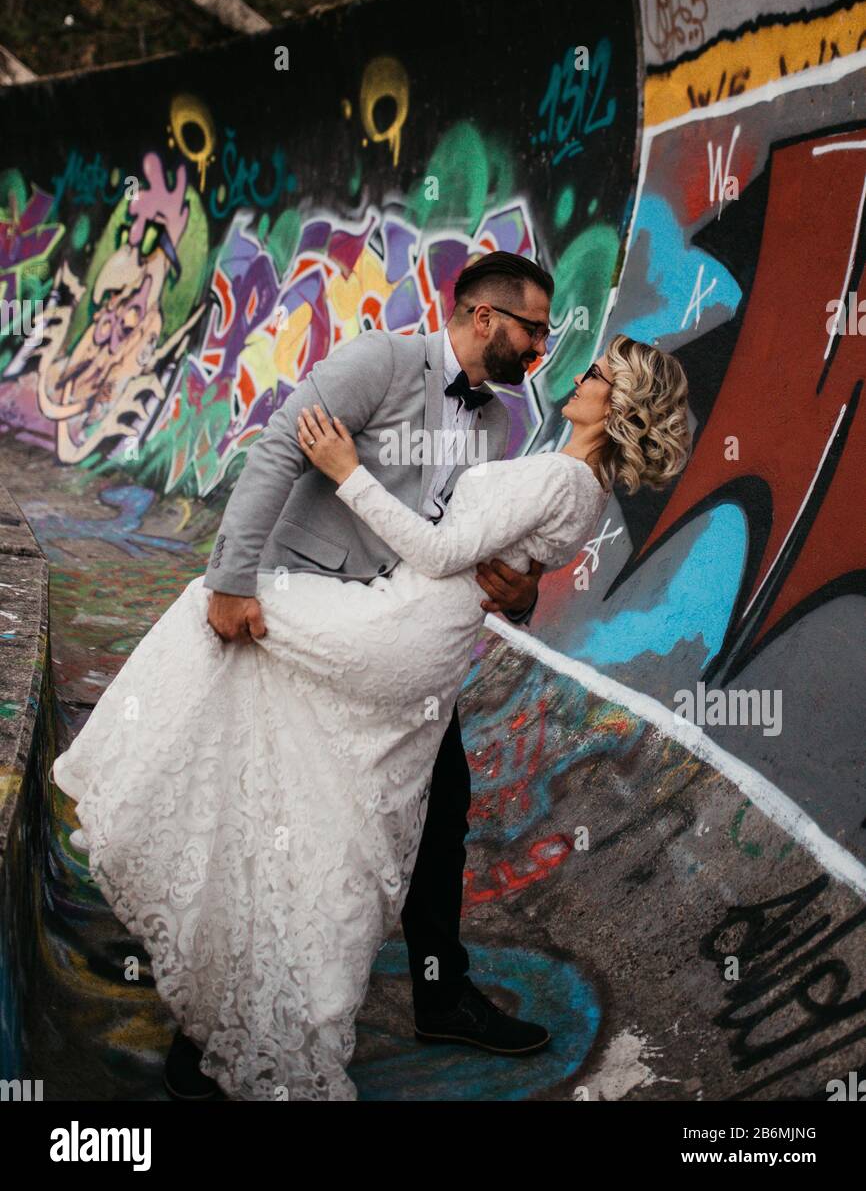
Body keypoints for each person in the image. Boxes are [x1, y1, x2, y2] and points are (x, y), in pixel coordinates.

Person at [50, 252, 691, 1101]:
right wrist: (235, 579)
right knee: (283, 807)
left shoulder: (501, 427)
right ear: (481, 314)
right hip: (324, 604)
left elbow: (468, 550)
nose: (544, 350)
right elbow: (281, 451)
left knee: (423, 811)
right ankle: (219, 1011)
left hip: (395, 640)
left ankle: (419, 993)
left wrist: (524, 585)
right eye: (533, 329)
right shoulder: (381, 362)